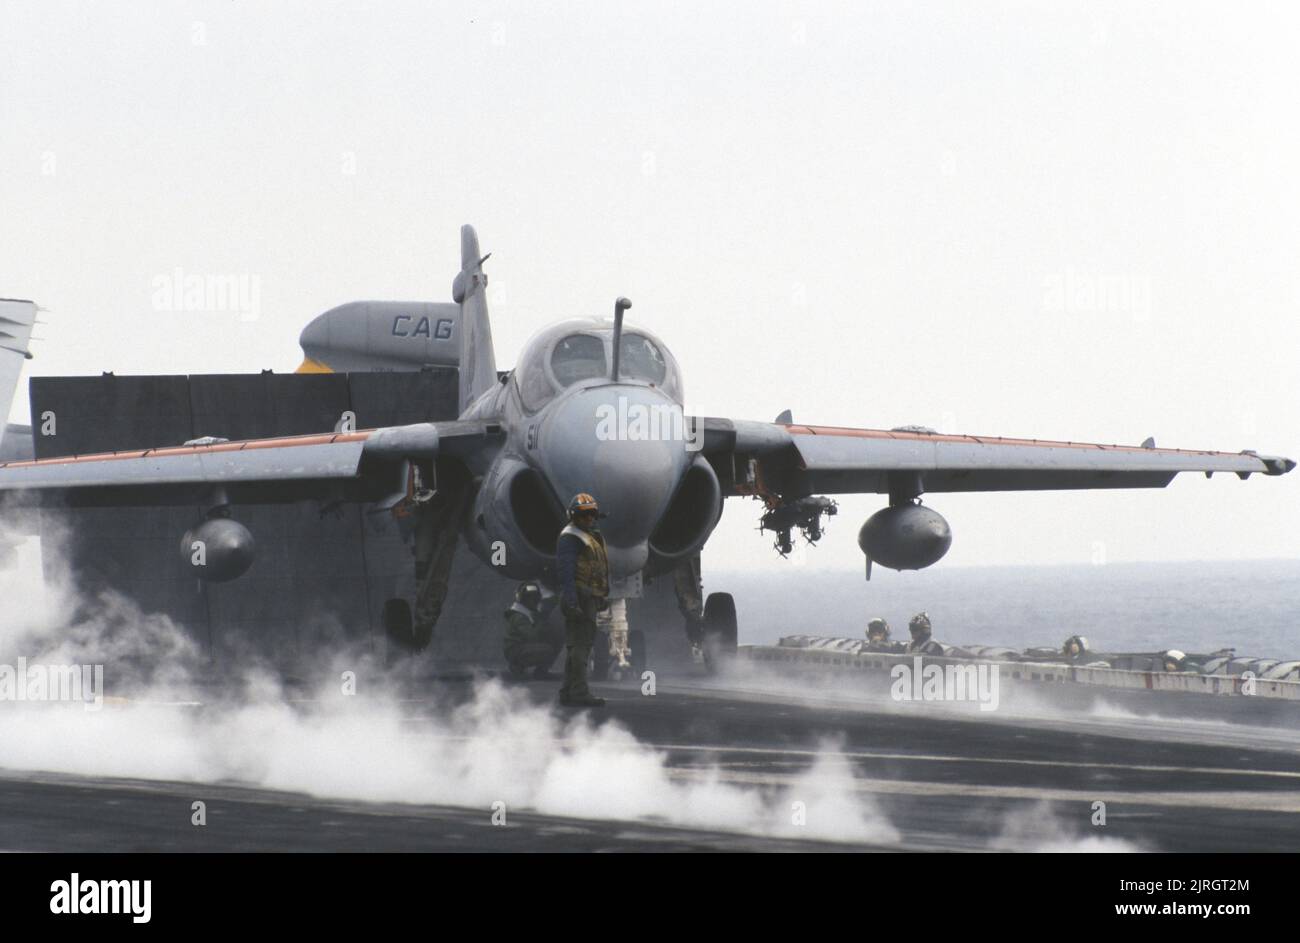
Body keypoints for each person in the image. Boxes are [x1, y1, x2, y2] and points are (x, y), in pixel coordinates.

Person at [555, 492, 610, 707]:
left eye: (592, 514)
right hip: (579, 596)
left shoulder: (587, 535)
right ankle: (579, 692)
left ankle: (568, 691)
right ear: (573, 516)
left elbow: (597, 569)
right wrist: (571, 600)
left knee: (576, 646)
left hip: (587, 596)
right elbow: (565, 572)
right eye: (584, 515)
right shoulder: (571, 537)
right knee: (581, 646)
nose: (590, 519)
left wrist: (601, 595)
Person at [502, 582, 563, 679]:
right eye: (529, 598)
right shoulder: (519, 616)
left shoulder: (528, 613)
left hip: (521, 647)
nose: (533, 601)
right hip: (515, 650)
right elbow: (532, 636)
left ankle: (540, 671)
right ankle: (517, 667)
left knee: (555, 640)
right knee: (548, 649)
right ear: (523, 599)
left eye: (535, 598)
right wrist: (542, 620)